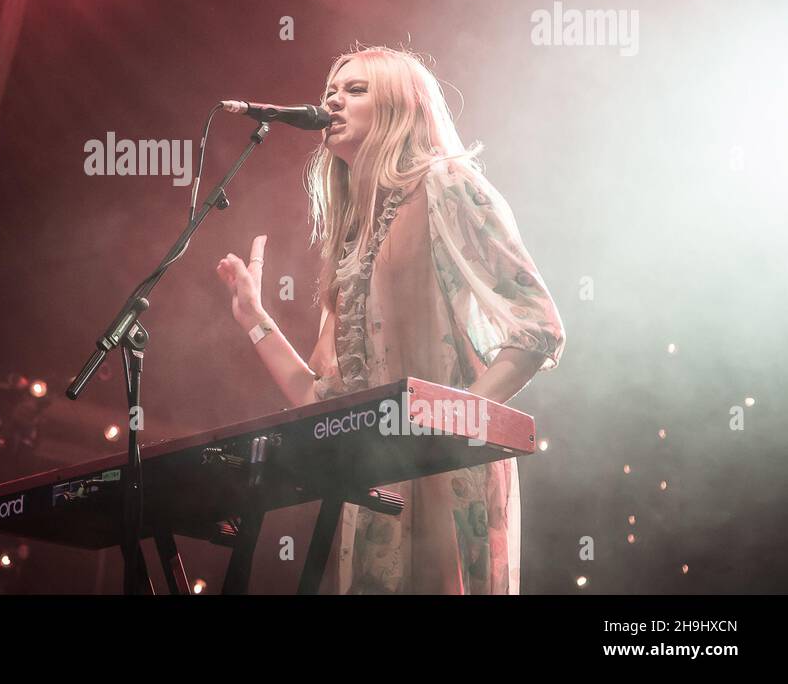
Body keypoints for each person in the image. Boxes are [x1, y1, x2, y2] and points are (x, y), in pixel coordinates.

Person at [215, 45, 566, 594]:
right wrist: (256, 320)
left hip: (444, 470)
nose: (333, 99)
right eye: (331, 89)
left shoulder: (446, 184)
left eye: (356, 90)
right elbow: (321, 402)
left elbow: (537, 326)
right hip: (373, 484)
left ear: (402, 109)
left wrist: (452, 427)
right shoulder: (351, 239)